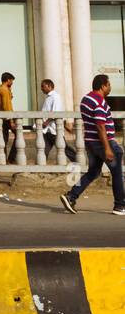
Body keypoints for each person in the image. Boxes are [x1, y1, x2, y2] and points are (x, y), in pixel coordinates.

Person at [61, 75, 125, 215]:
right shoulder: (100, 102)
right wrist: (107, 148)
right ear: (103, 86)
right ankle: (120, 206)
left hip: (90, 142)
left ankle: (71, 196)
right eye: (109, 85)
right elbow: (101, 126)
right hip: (104, 143)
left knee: (93, 172)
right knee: (117, 173)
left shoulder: (86, 99)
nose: (110, 87)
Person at [39, 78, 74, 163]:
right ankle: (41, 165)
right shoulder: (49, 97)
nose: (41, 88)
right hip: (48, 129)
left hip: (53, 128)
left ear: (49, 86)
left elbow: (55, 112)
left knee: (64, 148)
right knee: (44, 148)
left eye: (43, 86)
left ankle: (77, 161)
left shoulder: (55, 97)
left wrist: (46, 122)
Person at [0, 71, 17, 163]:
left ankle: (3, 159)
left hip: (1, 117)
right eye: (11, 81)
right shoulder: (4, 90)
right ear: (8, 80)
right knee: (19, 135)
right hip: (7, 117)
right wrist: (11, 120)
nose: (12, 83)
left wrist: (10, 90)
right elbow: (6, 106)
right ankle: (11, 158)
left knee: (4, 138)